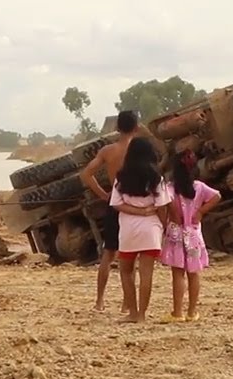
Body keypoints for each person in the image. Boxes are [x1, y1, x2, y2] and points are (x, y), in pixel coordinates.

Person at [80, 110, 166, 313]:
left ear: (117, 128)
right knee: (134, 259)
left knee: (109, 255)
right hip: (141, 209)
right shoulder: (140, 150)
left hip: (117, 202)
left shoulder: (109, 151)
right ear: (137, 128)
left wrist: (103, 194)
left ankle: (99, 300)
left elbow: (87, 174)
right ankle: (127, 304)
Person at [109, 136, 172, 323]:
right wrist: (164, 226)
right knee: (147, 274)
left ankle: (133, 312)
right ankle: (142, 315)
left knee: (126, 271)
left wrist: (138, 211)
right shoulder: (156, 177)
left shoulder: (121, 177)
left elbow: (116, 204)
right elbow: (162, 206)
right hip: (151, 230)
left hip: (128, 230)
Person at [159, 149, 221, 323]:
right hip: (193, 233)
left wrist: (171, 215)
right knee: (194, 273)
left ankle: (177, 312)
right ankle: (192, 312)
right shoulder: (199, 187)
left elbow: (166, 200)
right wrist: (201, 211)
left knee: (177, 273)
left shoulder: (170, 188)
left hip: (176, 232)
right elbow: (217, 195)